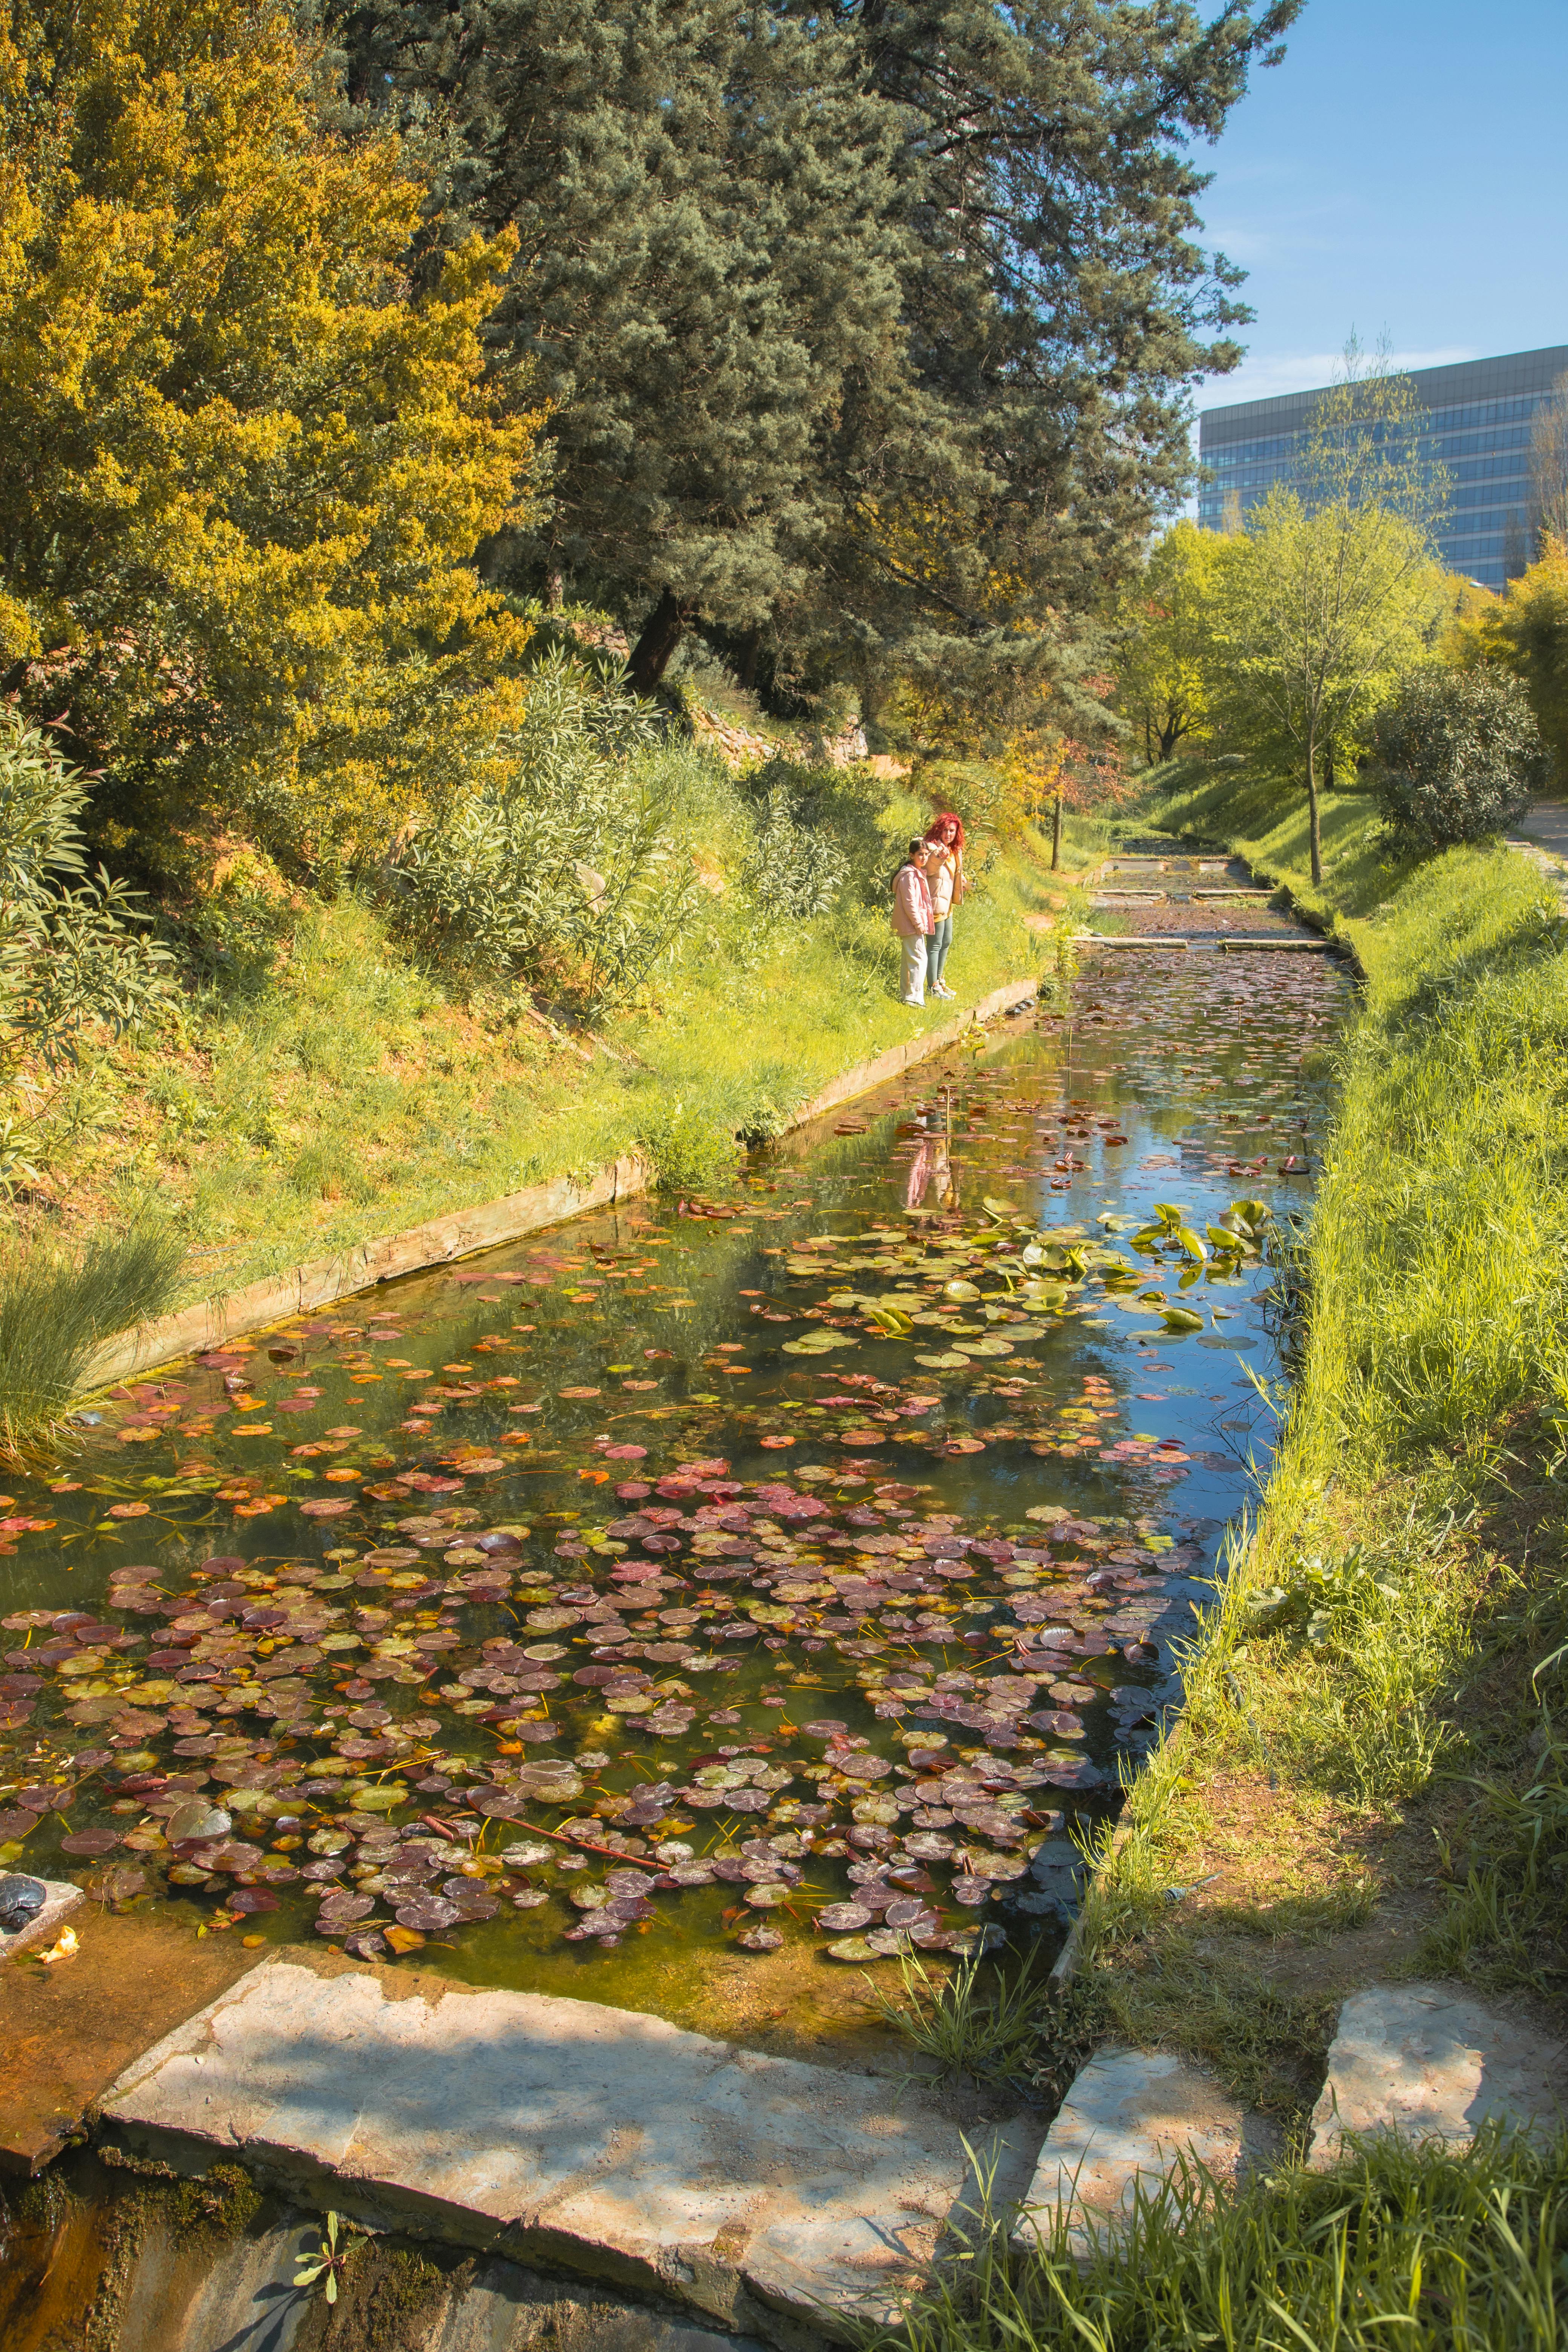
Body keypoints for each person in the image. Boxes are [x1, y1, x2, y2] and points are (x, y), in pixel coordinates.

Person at [922, 813, 965, 998]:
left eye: (952, 831)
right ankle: (932, 987)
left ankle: (939, 981)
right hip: (935, 903)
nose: (949, 834)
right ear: (939, 829)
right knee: (935, 945)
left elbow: (954, 873)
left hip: (947, 905)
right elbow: (930, 868)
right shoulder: (932, 848)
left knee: (946, 942)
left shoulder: (955, 850)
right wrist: (940, 856)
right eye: (946, 830)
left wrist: (964, 881)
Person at [891, 837, 934, 1006]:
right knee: (920, 960)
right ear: (911, 855)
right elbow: (910, 903)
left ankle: (907, 996)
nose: (924, 858)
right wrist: (919, 924)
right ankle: (914, 998)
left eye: (926, 854)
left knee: (910, 960)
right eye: (920, 855)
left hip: (913, 924)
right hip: (911, 924)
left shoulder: (917, 873)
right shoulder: (909, 875)